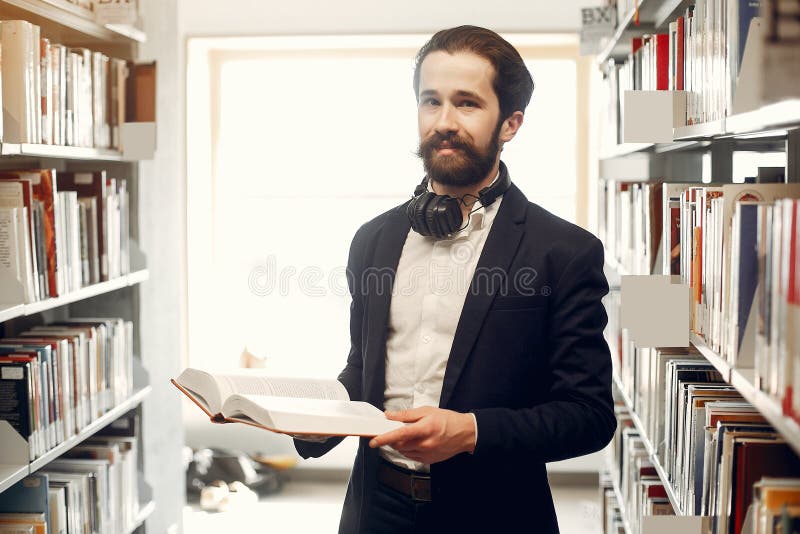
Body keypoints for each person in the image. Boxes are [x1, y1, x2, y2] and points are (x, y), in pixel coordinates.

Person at [294, 25, 616, 534]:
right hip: (374, 510)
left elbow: (589, 416)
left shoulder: (565, 252)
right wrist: (310, 420)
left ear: (510, 123)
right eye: (431, 101)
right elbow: (364, 368)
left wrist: (470, 431)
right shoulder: (372, 239)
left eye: (466, 103)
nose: (444, 122)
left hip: (495, 514)